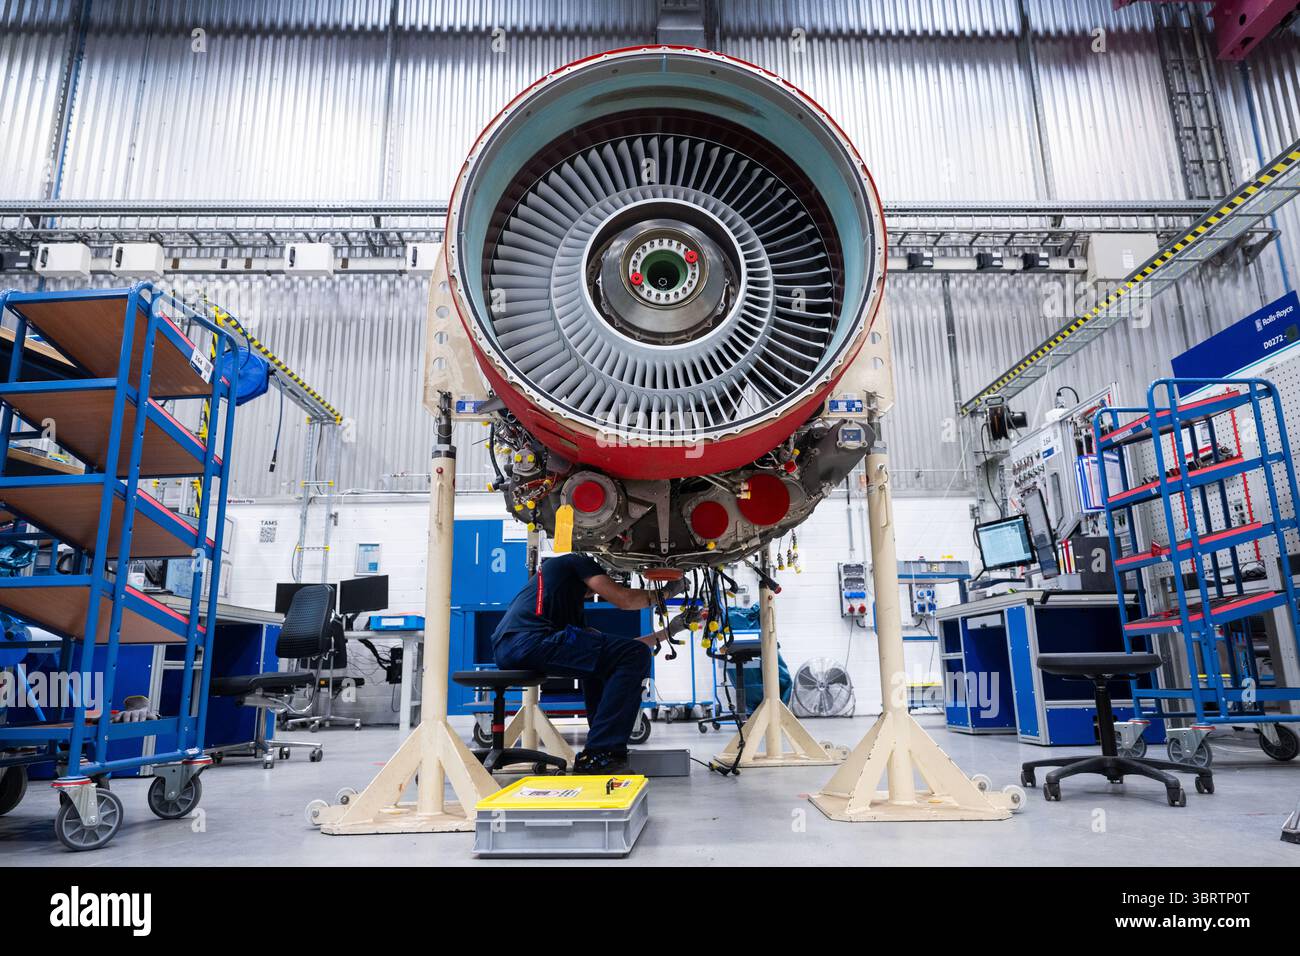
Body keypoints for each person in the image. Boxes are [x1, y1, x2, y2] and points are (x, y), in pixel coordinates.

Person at [490, 552, 694, 773]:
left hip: (508, 648)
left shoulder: (559, 597)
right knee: (628, 656)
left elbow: (624, 651)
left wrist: (671, 630)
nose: (599, 590)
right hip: (531, 640)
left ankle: (600, 749)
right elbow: (624, 599)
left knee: (607, 661)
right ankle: (601, 753)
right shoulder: (576, 561)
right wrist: (667, 593)